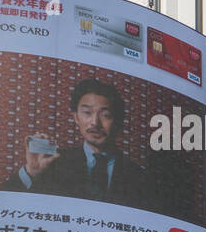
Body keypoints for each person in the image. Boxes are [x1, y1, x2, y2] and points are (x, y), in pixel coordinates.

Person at [11, 80, 147, 208]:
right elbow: (3, 201)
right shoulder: (53, 163)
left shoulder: (138, 176)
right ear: (76, 117)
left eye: (105, 115)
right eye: (87, 113)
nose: (95, 123)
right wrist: (31, 172)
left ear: (117, 121)